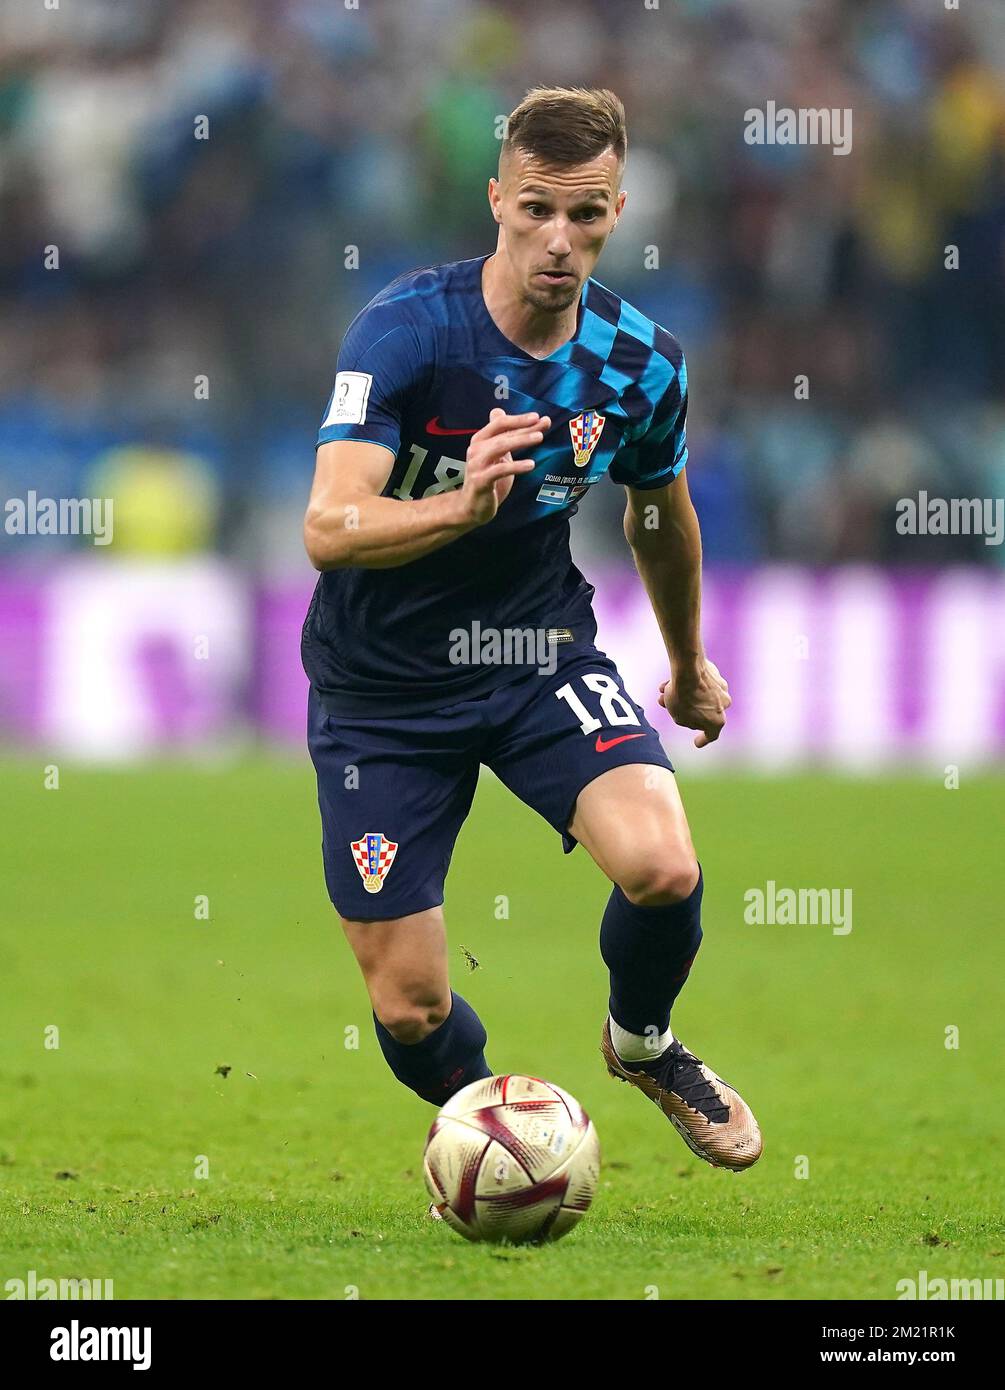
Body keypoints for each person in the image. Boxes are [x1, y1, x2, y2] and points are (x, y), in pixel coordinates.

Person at [302, 86, 761, 1172]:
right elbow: (328, 526)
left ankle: (641, 1042)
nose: (561, 242)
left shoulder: (643, 363)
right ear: (497, 199)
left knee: (662, 864)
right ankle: (500, 1130)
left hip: (533, 651)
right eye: (539, 211)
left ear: (619, 210)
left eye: (589, 215)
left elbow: (661, 517)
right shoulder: (407, 331)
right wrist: (457, 507)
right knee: (412, 1008)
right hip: (383, 690)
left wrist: (689, 665)